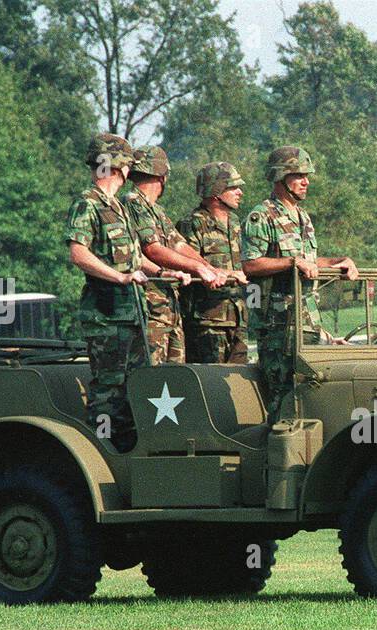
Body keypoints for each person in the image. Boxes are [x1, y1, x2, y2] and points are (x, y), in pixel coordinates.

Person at [242, 146, 358, 418]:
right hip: (278, 329)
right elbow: (250, 265)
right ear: (281, 177)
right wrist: (292, 262)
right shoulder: (262, 216)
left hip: (309, 325)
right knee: (282, 403)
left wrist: (340, 261)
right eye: (299, 175)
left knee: (314, 400)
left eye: (307, 175)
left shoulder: (302, 217)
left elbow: (310, 262)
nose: (306, 181)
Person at [66, 132, 158, 452]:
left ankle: (129, 452)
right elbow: (78, 253)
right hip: (106, 316)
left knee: (136, 388)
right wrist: (119, 278)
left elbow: (135, 257)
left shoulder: (117, 206)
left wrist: (163, 272)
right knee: (108, 391)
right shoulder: (87, 203)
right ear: (119, 167)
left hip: (132, 314)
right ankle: (102, 452)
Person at [121, 145, 209, 365]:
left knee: (176, 380)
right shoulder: (134, 203)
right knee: (152, 379)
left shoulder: (155, 210)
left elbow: (179, 245)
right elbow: (153, 249)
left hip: (168, 308)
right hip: (150, 308)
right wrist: (198, 269)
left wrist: (209, 269)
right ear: (162, 176)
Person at [180, 162, 251, 364]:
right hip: (207, 322)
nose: (240, 192)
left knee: (237, 383)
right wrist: (227, 275)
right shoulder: (193, 224)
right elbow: (186, 266)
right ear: (215, 191)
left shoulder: (236, 223)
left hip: (238, 318)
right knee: (212, 383)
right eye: (232, 187)